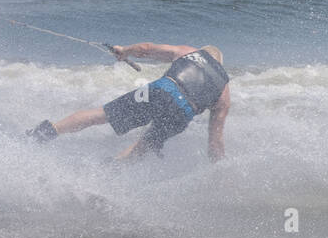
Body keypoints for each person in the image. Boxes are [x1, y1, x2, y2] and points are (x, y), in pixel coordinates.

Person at [27, 44, 230, 160]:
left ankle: (42, 134)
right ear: (219, 64)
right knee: (143, 145)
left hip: (162, 90)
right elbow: (215, 142)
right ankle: (108, 172)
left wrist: (125, 51)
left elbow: (147, 49)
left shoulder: (189, 52)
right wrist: (218, 169)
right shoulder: (223, 91)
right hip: (184, 112)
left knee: (100, 115)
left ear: (203, 52)